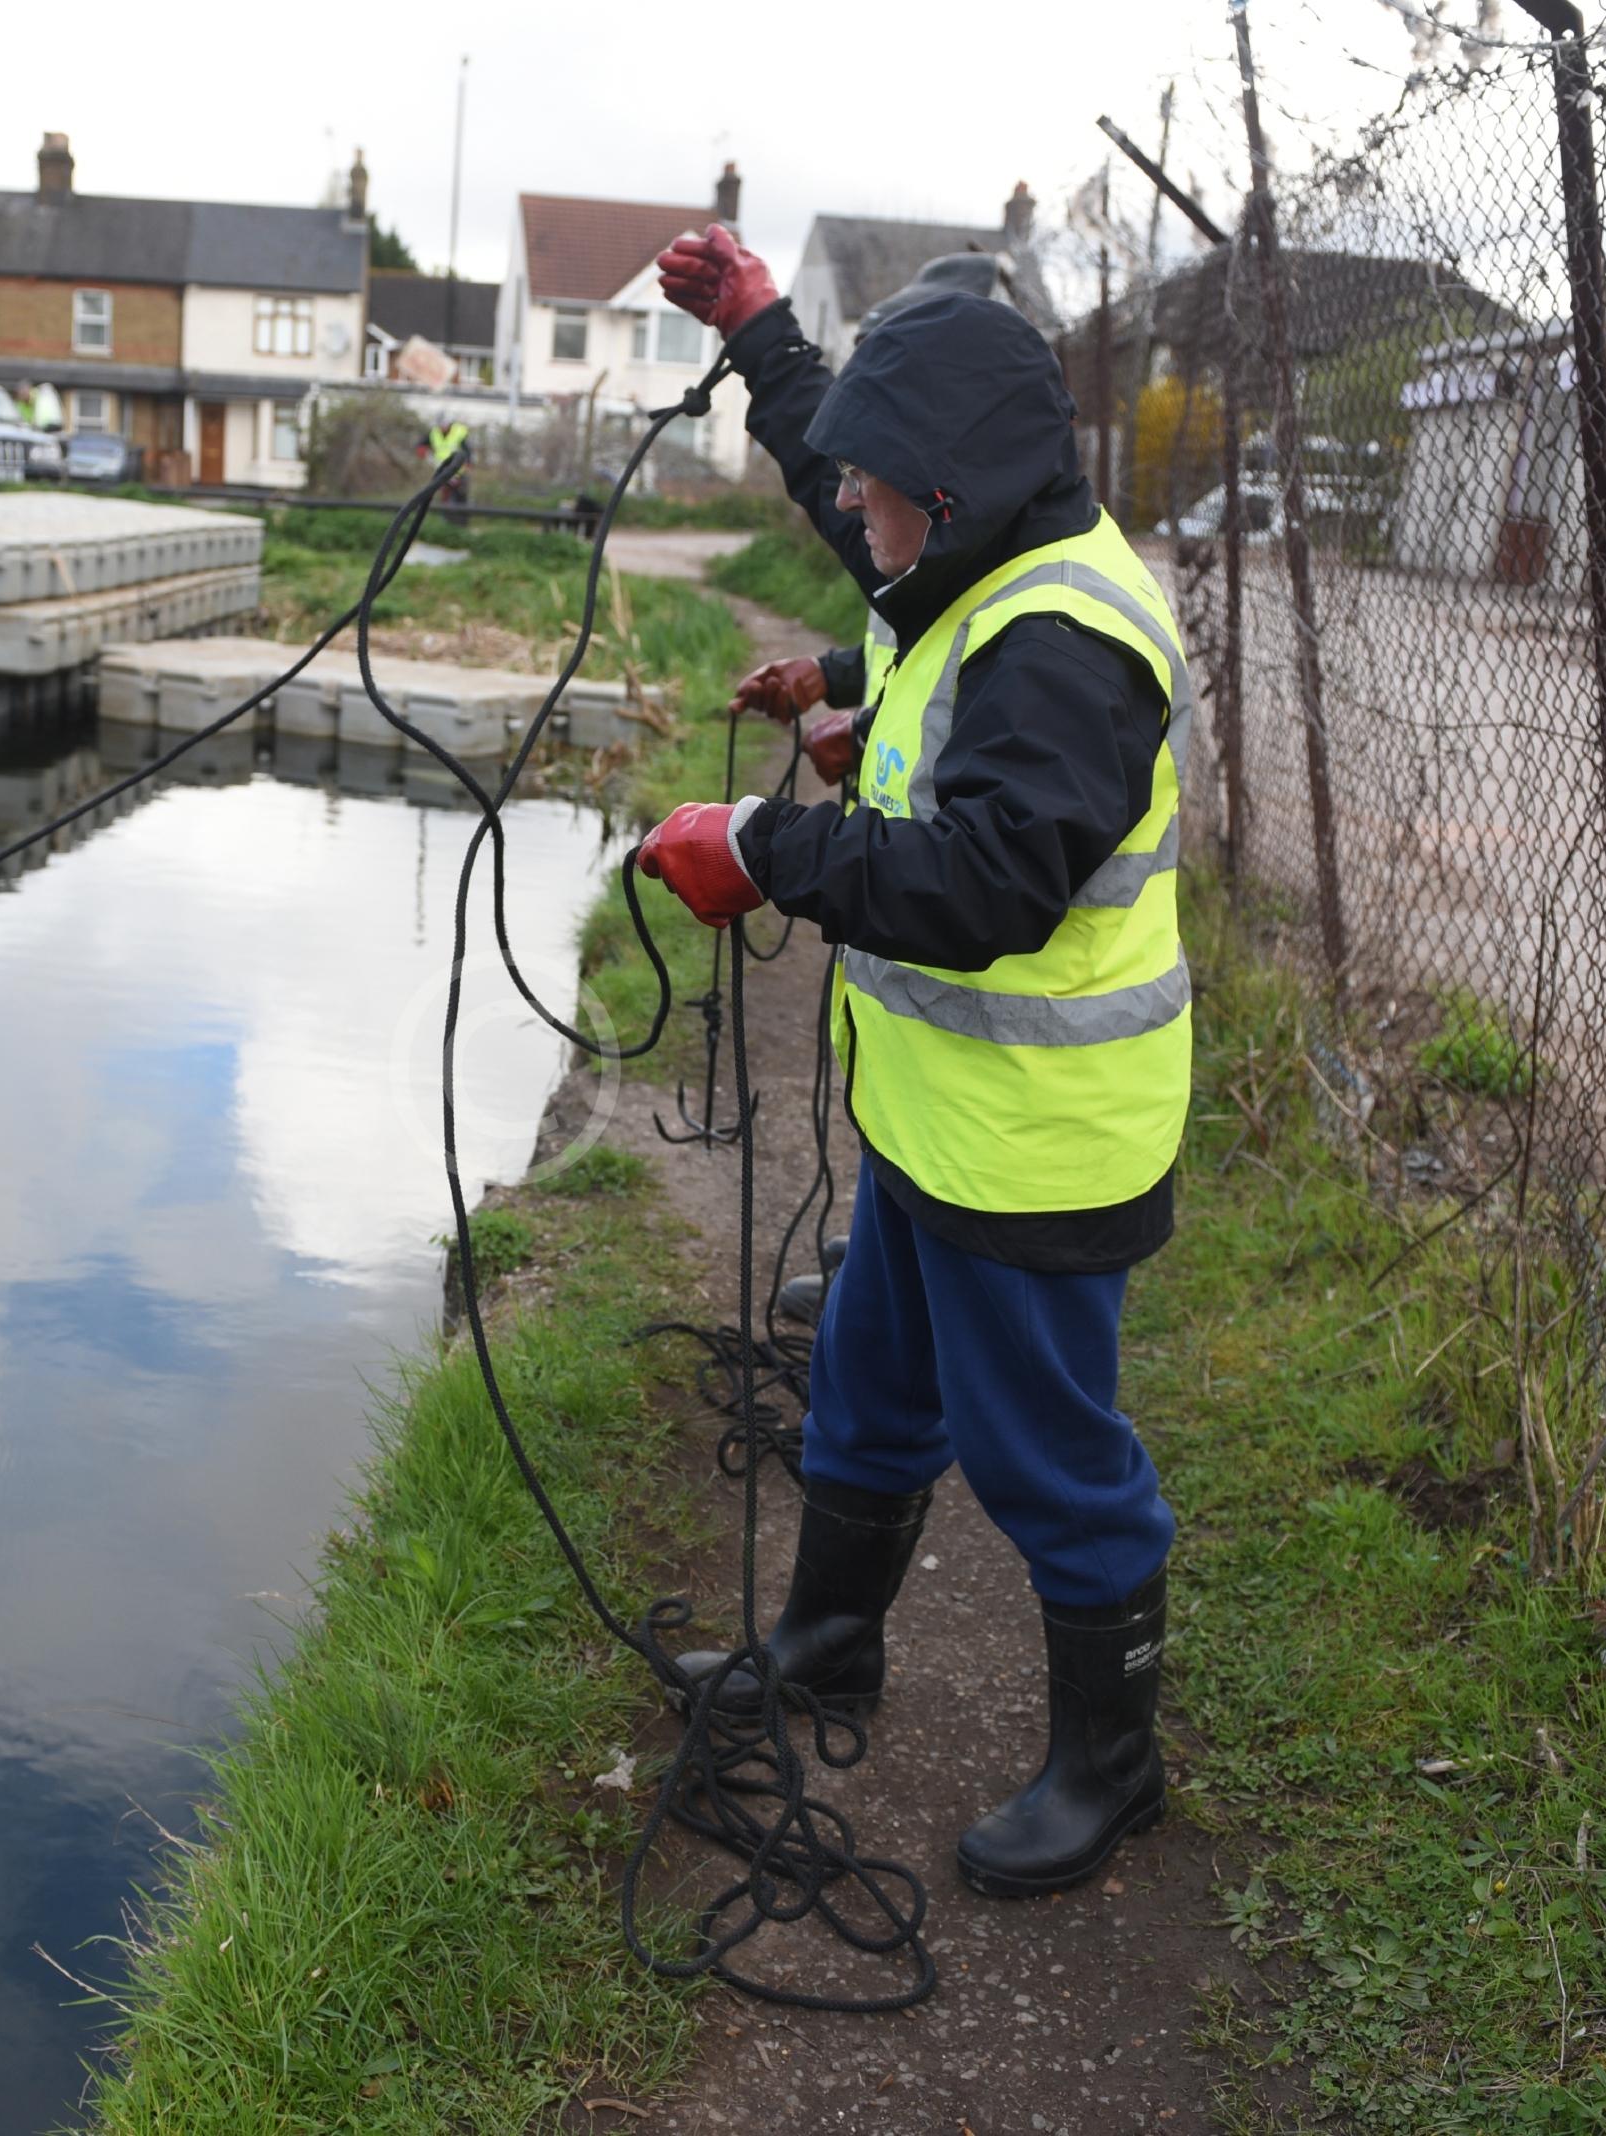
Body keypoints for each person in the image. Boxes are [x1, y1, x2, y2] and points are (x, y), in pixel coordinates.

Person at [636, 224, 1193, 1900]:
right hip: (932, 1125)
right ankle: (829, 1641)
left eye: (873, 508)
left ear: (945, 497)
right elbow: (871, 536)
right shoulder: (975, 554)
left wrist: (770, 847)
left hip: (1038, 1147)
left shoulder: (1069, 641)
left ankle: (1116, 1763)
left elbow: (985, 884)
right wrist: (756, 333)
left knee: (1046, 1456)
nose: (849, 530)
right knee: (870, 1394)